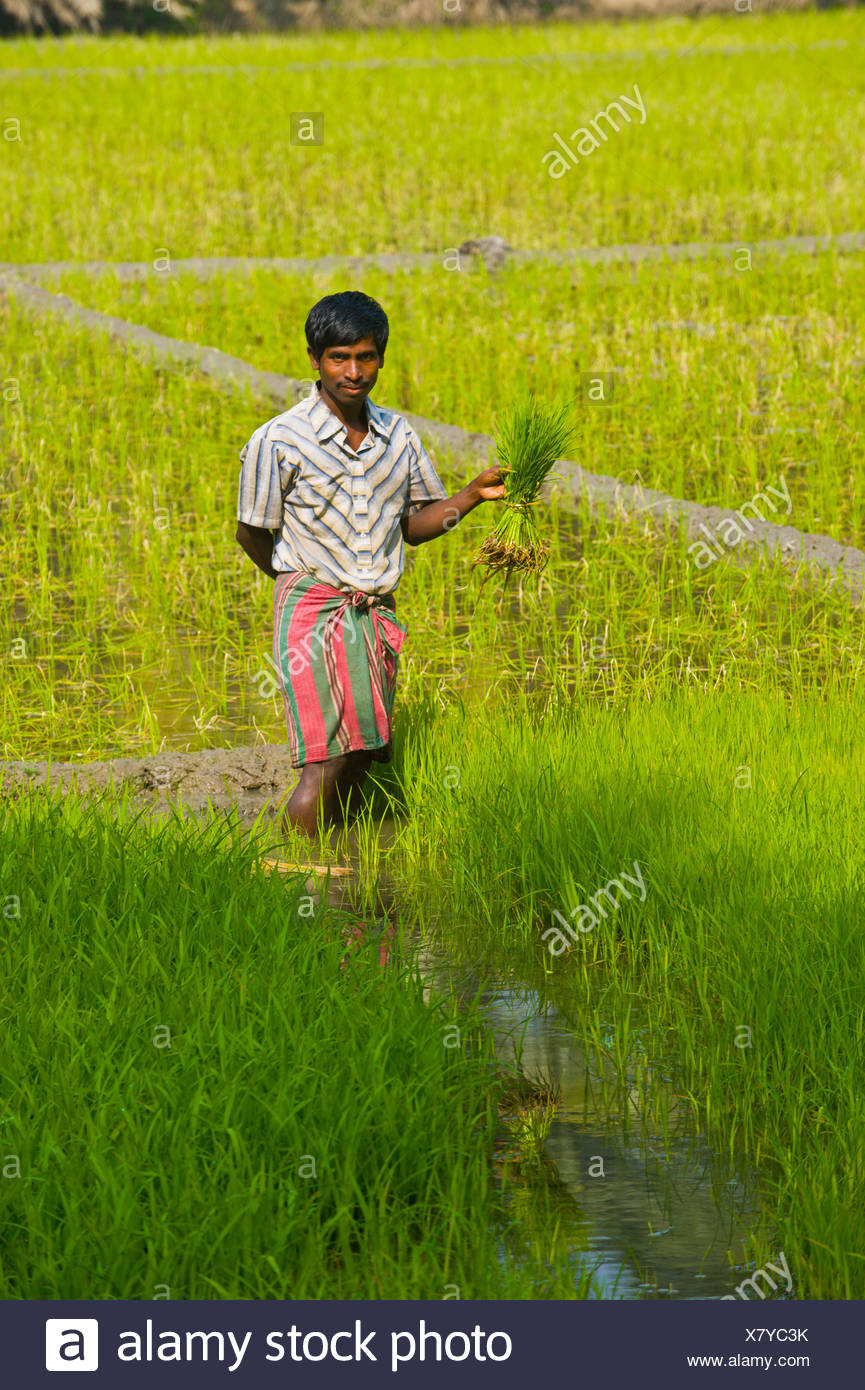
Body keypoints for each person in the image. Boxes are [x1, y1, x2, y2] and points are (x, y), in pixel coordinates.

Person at [235, 290, 505, 851]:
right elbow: (251, 532)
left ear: (381, 357)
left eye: (366, 357)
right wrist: (299, 588)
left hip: (374, 612)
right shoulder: (280, 439)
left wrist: (473, 495)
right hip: (315, 608)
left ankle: (347, 863)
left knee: (362, 753)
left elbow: (413, 524)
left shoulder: (397, 436)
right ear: (314, 359)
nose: (353, 372)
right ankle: (301, 871)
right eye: (339, 357)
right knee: (325, 758)